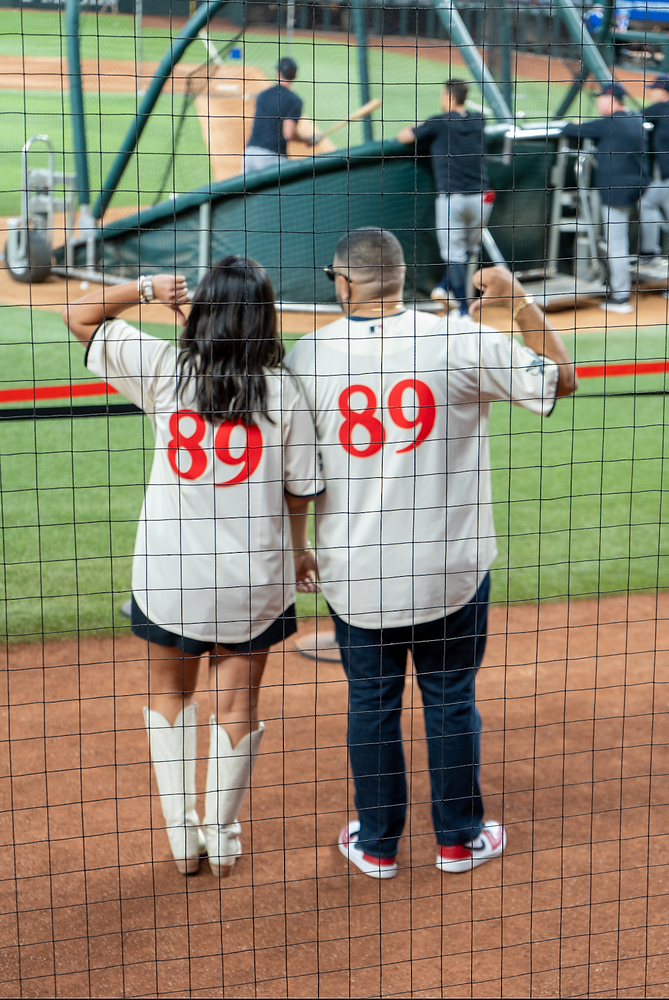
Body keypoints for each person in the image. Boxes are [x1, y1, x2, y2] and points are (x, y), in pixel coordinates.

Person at [286, 228, 577, 879]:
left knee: (371, 702)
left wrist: (294, 548)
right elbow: (561, 380)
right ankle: (458, 840)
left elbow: (293, 471)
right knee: (448, 697)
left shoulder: (306, 356)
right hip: (450, 569)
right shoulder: (460, 337)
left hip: (355, 573)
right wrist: (515, 299)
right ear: (401, 275)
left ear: (342, 282)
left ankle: (378, 846)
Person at [62, 258, 321, 877]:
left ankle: (183, 841)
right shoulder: (282, 389)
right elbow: (298, 492)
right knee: (237, 704)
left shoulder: (167, 371)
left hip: (169, 577)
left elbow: (78, 314)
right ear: (263, 318)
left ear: (203, 313)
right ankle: (222, 833)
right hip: (254, 581)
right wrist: (300, 550)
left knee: (169, 694)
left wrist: (149, 290)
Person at [396, 78, 494, 315]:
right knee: (470, 250)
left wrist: (423, 124)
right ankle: (443, 287)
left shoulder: (438, 123)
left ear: (449, 97)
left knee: (455, 255)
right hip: (483, 198)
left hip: (454, 199)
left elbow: (403, 137)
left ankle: (462, 309)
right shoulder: (479, 119)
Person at [561, 81, 649, 314]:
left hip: (616, 190)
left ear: (610, 100)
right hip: (638, 187)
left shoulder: (609, 123)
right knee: (621, 240)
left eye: (601, 98)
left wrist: (574, 123)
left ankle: (621, 298)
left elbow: (569, 130)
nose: (598, 101)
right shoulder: (635, 120)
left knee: (616, 244)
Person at [244, 57, 320, 174]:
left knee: (246, 192)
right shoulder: (294, 100)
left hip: (250, 154)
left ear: (278, 73)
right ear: (294, 76)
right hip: (272, 158)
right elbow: (288, 133)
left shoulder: (263, 95)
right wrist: (306, 140)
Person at [640, 74, 669, 262]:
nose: (652, 93)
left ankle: (650, 251)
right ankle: (650, 251)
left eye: (654, 89)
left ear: (662, 91)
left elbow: (631, 118)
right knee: (649, 202)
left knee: (647, 203)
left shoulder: (661, 108)